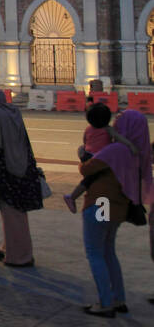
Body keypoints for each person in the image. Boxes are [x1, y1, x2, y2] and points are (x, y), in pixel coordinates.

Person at [78, 109, 153, 316]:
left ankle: (105, 302)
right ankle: (118, 298)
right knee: (108, 251)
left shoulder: (115, 149)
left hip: (102, 202)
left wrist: (82, 154)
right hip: (119, 206)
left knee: (95, 252)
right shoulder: (138, 152)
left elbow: (86, 169)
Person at [0, 84, 44, 267]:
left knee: (12, 214)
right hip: (24, 167)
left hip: (8, 171)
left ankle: (20, 257)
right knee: (17, 213)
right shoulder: (12, 112)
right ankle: (8, 248)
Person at [64, 103, 119, 213]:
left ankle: (73, 197)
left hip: (88, 155)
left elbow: (85, 142)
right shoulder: (108, 130)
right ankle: (72, 196)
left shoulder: (89, 129)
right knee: (94, 179)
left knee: (91, 179)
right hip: (98, 159)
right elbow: (116, 141)